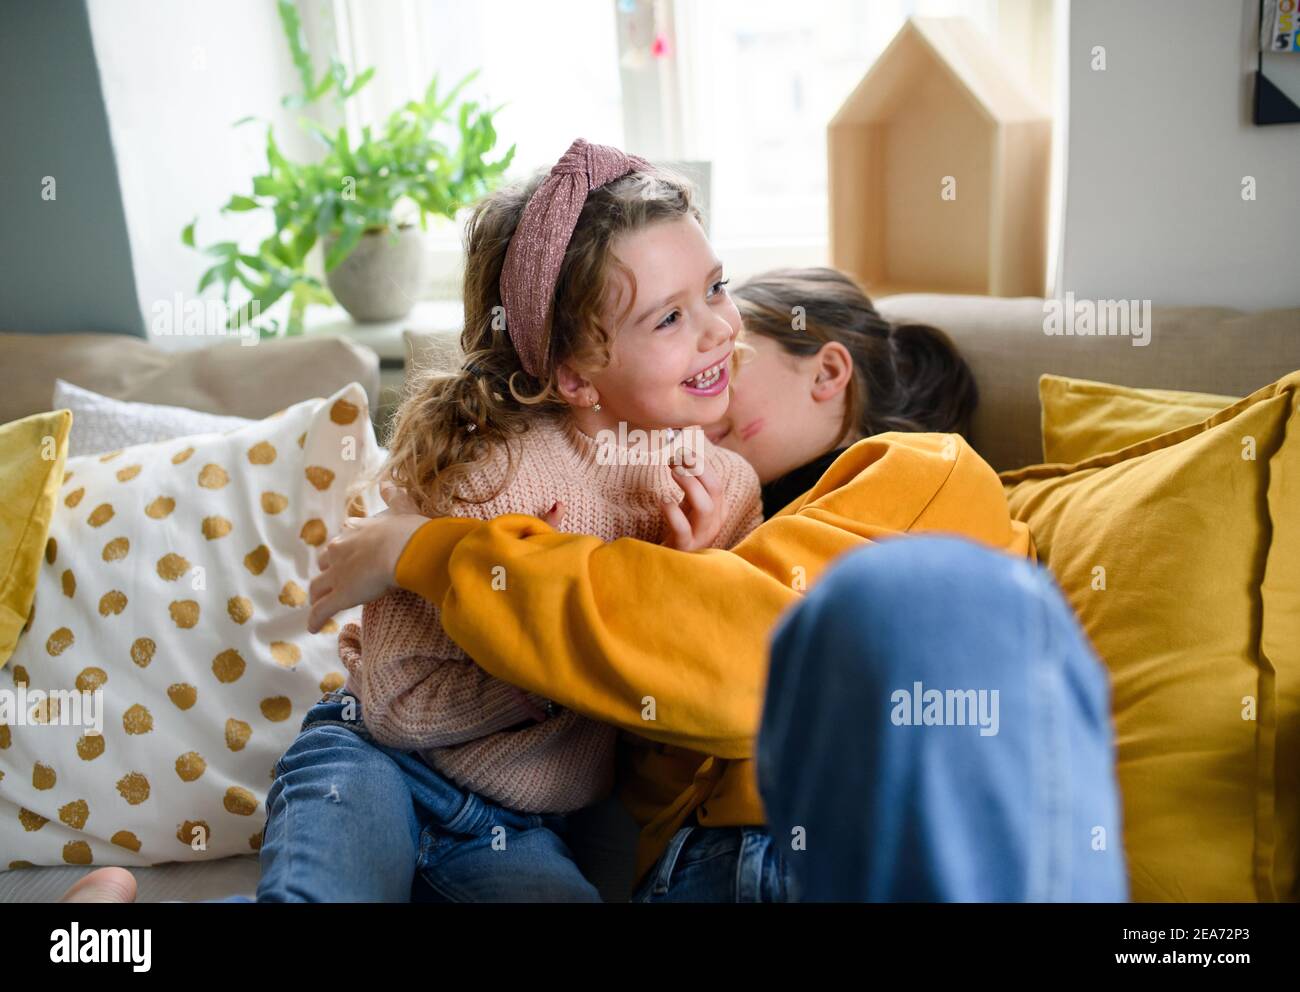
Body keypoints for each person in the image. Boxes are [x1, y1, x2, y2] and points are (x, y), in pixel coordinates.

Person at [59, 243, 1127, 905]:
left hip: (846, 851)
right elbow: (655, 740)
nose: (696, 373)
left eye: (726, 339)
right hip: (691, 873)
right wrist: (687, 561)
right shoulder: (670, 512)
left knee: (929, 601)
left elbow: (743, 661)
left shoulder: (921, 473)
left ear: (828, 368)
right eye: (675, 337)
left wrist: (423, 554)